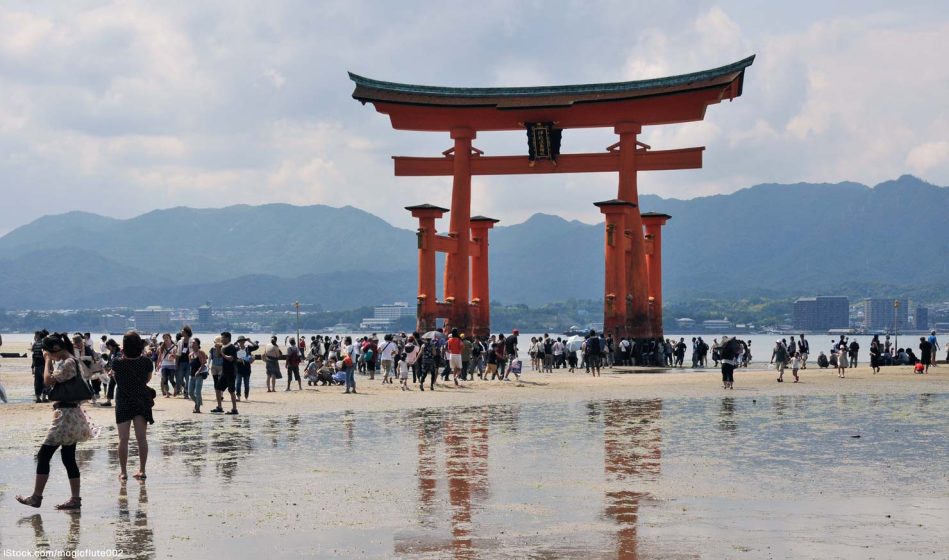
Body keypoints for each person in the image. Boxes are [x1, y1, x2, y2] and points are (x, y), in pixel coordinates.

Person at [17, 333, 98, 510]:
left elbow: (47, 380)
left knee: (44, 455)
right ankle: (75, 499)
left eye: (48, 352)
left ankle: (37, 497)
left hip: (66, 417)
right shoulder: (68, 360)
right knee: (68, 457)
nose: (49, 355)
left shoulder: (68, 362)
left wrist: (47, 361)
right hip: (70, 414)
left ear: (54, 349)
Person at [112, 331, 154, 480]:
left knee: (123, 438)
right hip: (141, 400)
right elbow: (147, 380)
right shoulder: (147, 362)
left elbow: (116, 379)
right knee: (141, 438)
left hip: (123, 400)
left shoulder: (117, 362)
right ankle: (142, 470)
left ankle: (123, 472)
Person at [212, 332, 239, 415]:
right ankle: (219, 407)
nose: (221, 339)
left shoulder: (232, 347)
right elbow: (218, 356)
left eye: (223, 337)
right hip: (224, 372)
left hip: (231, 372)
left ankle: (234, 409)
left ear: (227, 338)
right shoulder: (223, 347)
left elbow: (230, 358)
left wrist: (221, 352)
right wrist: (217, 349)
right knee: (218, 388)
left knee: (231, 391)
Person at [188, 338, 208, 413]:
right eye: (192, 343)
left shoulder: (201, 352)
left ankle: (197, 407)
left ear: (198, 344)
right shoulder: (190, 354)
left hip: (199, 375)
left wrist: (198, 371)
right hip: (192, 375)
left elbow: (203, 363)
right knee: (190, 392)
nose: (192, 344)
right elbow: (191, 365)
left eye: (194, 343)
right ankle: (197, 403)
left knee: (198, 392)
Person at [31, 330, 50, 403]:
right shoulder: (44, 343)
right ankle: (44, 397)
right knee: (45, 381)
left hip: (37, 365)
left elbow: (33, 354)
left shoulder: (35, 343)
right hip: (43, 365)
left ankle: (38, 398)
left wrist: (32, 367)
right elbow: (47, 355)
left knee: (37, 382)